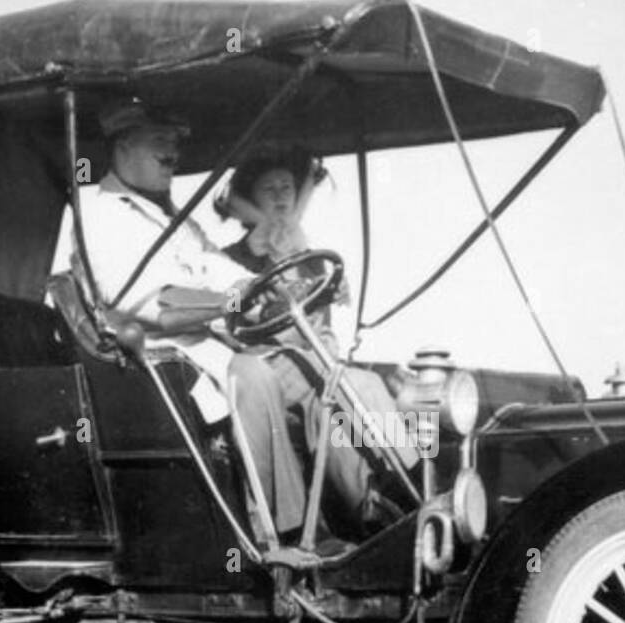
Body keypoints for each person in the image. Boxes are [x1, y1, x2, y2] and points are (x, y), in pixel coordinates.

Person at [51, 101, 406, 544]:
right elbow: (139, 300)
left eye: (177, 141)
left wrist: (269, 290)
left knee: (340, 379)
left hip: (221, 350)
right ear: (123, 143)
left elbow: (223, 271)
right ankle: (290, 537)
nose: (174, 151)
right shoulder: (99, 213)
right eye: (160, 139)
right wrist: (233, 302)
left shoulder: (173, 220)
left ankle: (393, 514)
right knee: (253, 375)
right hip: (163, 363)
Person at [215, 146, 420, 534]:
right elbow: (237, 319)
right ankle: (404, 492)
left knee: (369, 388)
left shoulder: (311, 258)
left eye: (287, 187)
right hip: (267, 363)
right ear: (252, 197)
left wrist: (332, 291)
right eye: (269, 188)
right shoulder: (232, 262)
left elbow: (323, 323)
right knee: (359, 384)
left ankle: (383, 499)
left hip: (315, 359)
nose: (280, 196)